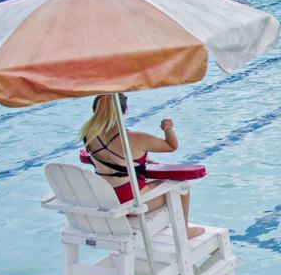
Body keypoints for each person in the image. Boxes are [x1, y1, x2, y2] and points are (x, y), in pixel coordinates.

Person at [80, 94, 201, 239]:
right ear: (124, 111)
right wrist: (168, 130)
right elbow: (171, 146)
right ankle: (185, 231)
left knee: (145, 181)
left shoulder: (88, 135)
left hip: (106, 199)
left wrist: (139, 159)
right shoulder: (135, 138)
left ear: (95, 110)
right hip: (129, 202)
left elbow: (108, 157)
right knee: (182, 187)